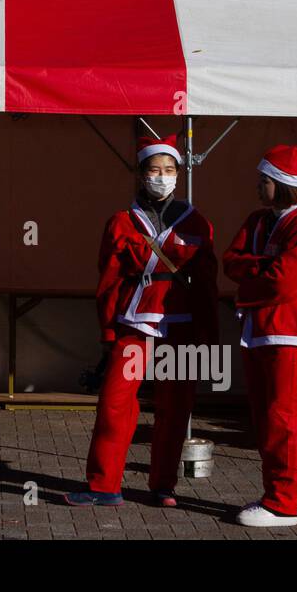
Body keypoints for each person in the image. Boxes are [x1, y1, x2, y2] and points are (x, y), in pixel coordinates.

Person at [66, 134, 218, 508]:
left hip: (180, 326)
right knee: (115, 404)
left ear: (178, 175)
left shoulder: (196, 221)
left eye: (169, 170)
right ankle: (104, 486)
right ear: (141, 173)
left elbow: (208, 284)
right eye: (155, 169)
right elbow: (109, 280)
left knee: (175, 407)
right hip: (134, 324)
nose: (162, 177)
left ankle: (164, 486)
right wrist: (107, 329)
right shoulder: (120, 221)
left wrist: (209, 335)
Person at [223, 144, 297, 528]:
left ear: (281, 184)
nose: (257, 186)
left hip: (288, 335)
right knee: (265, 419)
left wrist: (248, 284)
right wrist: (263, 267)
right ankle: (274, 495)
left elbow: (286, 281)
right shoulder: (258, 220)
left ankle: (284, 503)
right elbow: (230, 260)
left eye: (263, 180)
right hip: (259, 331)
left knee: (286, 419)